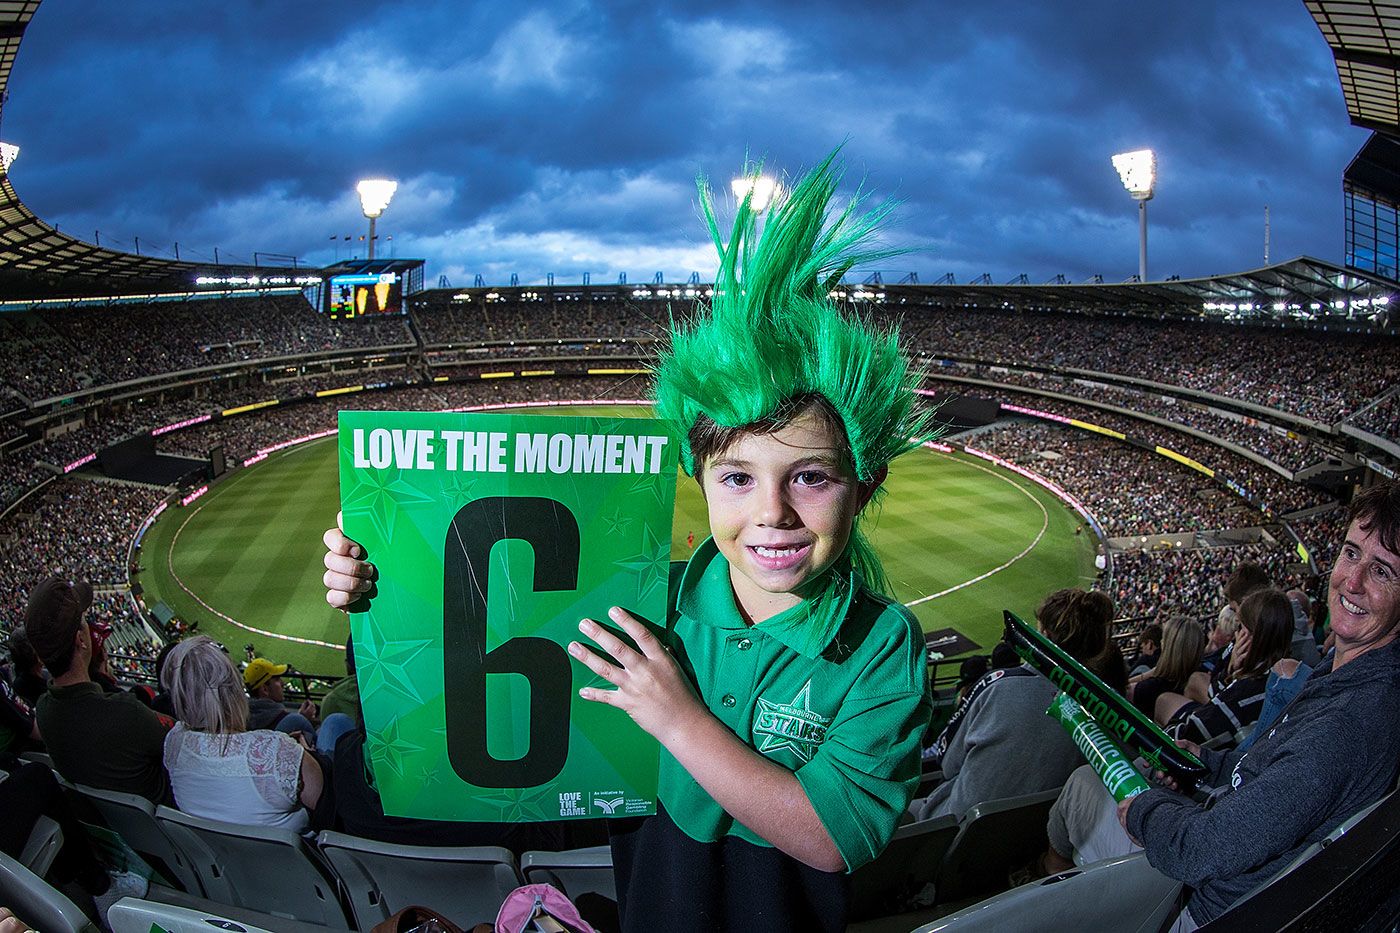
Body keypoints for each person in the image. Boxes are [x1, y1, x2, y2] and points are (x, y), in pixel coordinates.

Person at [324, 152, 933, 932]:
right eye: (737, 477)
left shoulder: (884, 645)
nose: (773, 513)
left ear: (866, 486)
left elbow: (829, 837)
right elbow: (493, 635)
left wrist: (678, 719)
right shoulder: (651, 601)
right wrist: (378, 580)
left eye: (811, 477)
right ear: (700, 477)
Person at [1118, 480, 1400, 930]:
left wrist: (1143, 809)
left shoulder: (1349, 723)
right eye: (1350, 553)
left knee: (1083, 794)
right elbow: (1274, 769)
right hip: (1221, 857)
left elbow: (1205, 849)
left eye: (1382, 571)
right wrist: (1205, 760)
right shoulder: (1349, 669)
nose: (1353, 580)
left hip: (1216, 907)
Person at [910, 588, 1111, 822]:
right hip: (1028, 835)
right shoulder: (1106, 713)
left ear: (1043, 634)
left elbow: (947, 762)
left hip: (952, 827)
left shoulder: (1000, 686)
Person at [24, 577, 174, 804]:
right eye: (85, 621)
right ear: (81, 640)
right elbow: (183, 740)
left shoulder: (44, 710)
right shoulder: (125, 711)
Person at [162, 636, 323, 831]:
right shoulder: (274, 749)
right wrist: (306, 754)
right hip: (295, 855)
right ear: (234, 690)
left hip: (222, 856)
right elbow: (326, 803)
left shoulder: (174, 741)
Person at [1156, 588, 1292, 747]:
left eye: (1240, 627)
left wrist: (1230, 674)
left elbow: (1181, 737)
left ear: (1247, 636)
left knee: (1162, 702)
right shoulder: (1284, 676)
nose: (1236, 634)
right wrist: (1232, 671)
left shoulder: (1240, 697)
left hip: (1203, 749)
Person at [1126, 617, 1205, 718]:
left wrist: (1149, 674)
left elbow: (1121, 689)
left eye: (1163, 639)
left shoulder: (1149, 688)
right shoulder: (1198, 681)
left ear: (1168, 646)